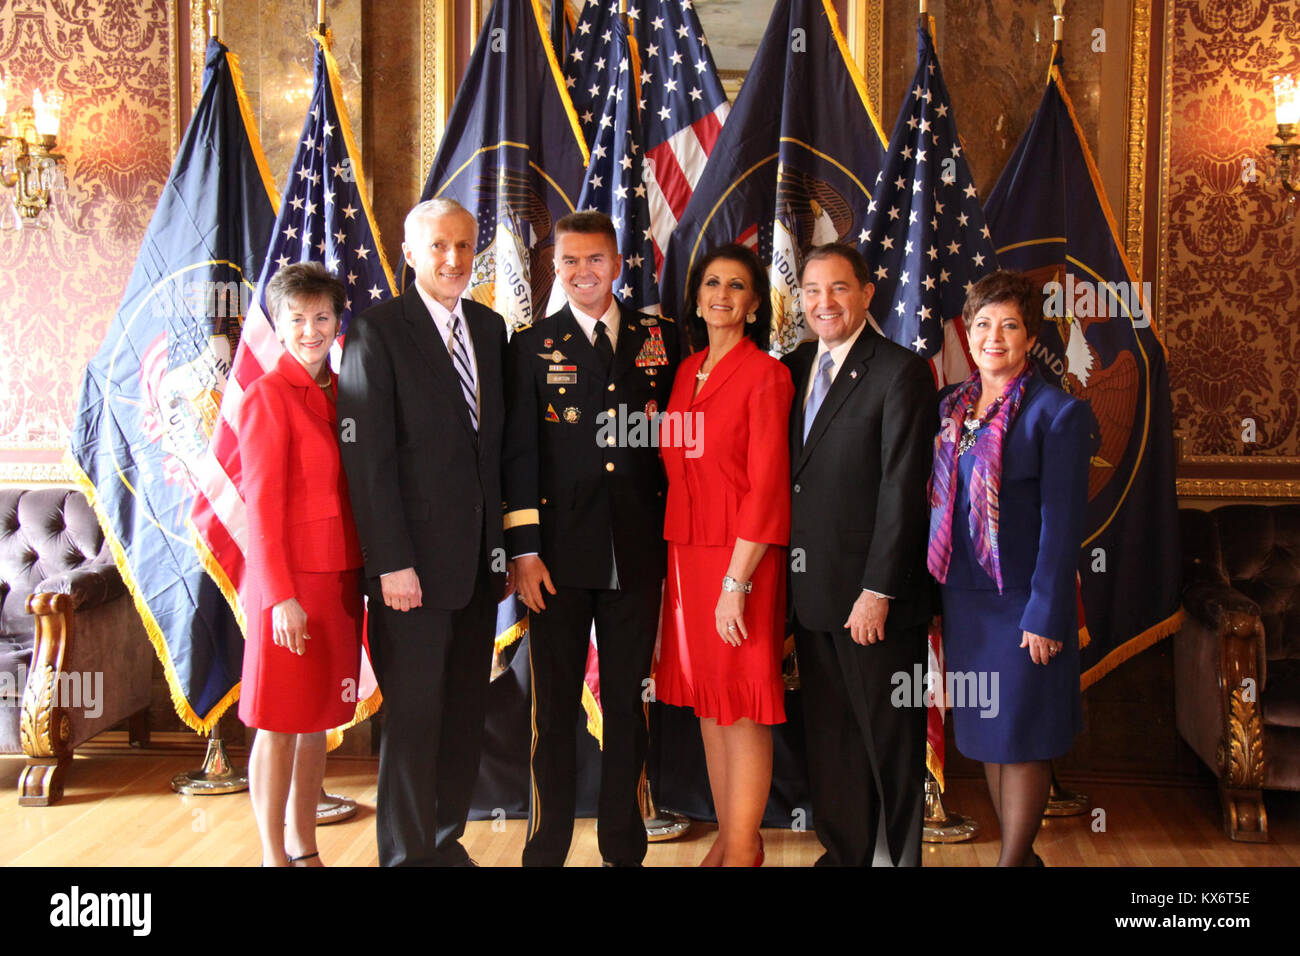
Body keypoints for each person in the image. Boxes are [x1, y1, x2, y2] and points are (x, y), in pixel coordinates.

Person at [503, 211, 679, 867]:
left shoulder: (658, 337)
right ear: (556, 268)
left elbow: (673, 445)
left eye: (596, 259)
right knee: (552, 713)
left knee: (630, 710)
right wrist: (523, 550)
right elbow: (518, 454)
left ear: (618, 261)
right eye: (570, 261)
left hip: (638, 553)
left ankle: (622, 848)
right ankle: (544, 848)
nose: (583, 272)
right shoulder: (531, 344)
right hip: (555, 559)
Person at [337, 198, 508, 867]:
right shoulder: (376, 332)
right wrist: (391, 563)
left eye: (464, 246)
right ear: (410, 254)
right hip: (409, 572)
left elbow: (495, 456)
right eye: (439, 247)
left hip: (475, 568)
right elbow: (367, 460)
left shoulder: (491, 331)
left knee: (462, 715)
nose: (454, 260)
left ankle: (444, 844)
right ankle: (405, 857)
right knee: (412, 722)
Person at [927, 270, 1094, 867]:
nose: (993, 336)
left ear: (1029, 336)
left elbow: (1062, 524)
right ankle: (1023, 863)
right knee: (991, 738)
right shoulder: (951, 406)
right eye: (981, 324)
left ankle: (1011, 862)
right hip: (967, 602)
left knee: (1021, 737)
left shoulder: (1057, 413)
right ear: (967, 334)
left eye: (1009, 325)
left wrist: (1047, 614)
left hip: (1025, 605)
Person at [783, 243, 936, 867]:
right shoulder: (791, 366)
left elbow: (903, 489)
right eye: (813, 290)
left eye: (839, 289)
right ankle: (844, 855)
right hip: (810, 594)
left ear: (867, 294)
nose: (825, 303)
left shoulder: (900, 370)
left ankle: (899, 860)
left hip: (875, 599)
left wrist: (878, 590)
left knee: (889, 740)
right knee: (832, 740)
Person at [655, 243, 793, 867]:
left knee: (742, 705)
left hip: (742, 563)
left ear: (755, 303)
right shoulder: (685, 372)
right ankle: (734, 838)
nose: (721, 295)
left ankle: (742, 846)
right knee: (712, 703)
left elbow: (766, 488)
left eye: (736, 286)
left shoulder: (768, 374)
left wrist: (736, 582)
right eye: (712, 283)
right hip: (687, 556)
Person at [237, 261, 362, 867]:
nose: (310, 329)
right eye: (297, 318)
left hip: (340, 581)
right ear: (278, 325)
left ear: (338, 321)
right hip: (287, 590)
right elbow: (259, 509)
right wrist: (278, 595)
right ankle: (271, 855)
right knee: (278, 723)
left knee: (318, 721)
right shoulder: (267, 396)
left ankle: (304, 846)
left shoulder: (345, 391)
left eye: (321, 317)